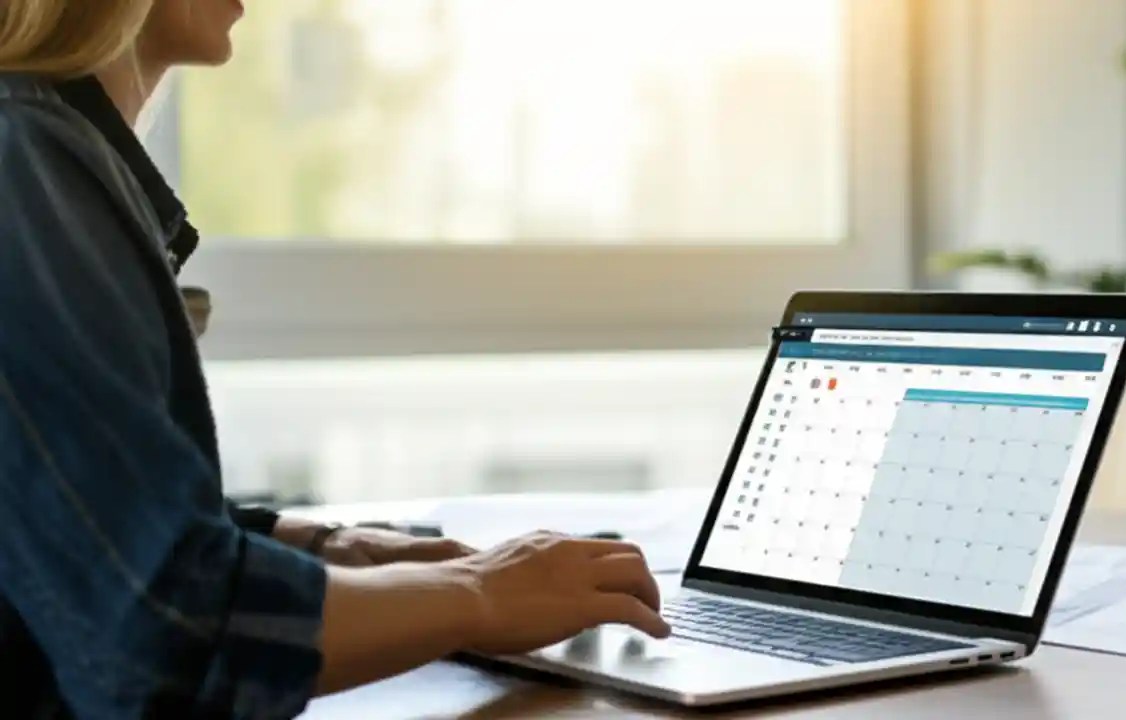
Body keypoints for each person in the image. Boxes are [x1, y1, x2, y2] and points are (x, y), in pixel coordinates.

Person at [0, 2, 670, 717]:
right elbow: (168, 627)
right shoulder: (24, 162)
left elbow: (81, 511)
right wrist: (481, 595)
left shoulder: (50, 153)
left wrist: (330, 549)